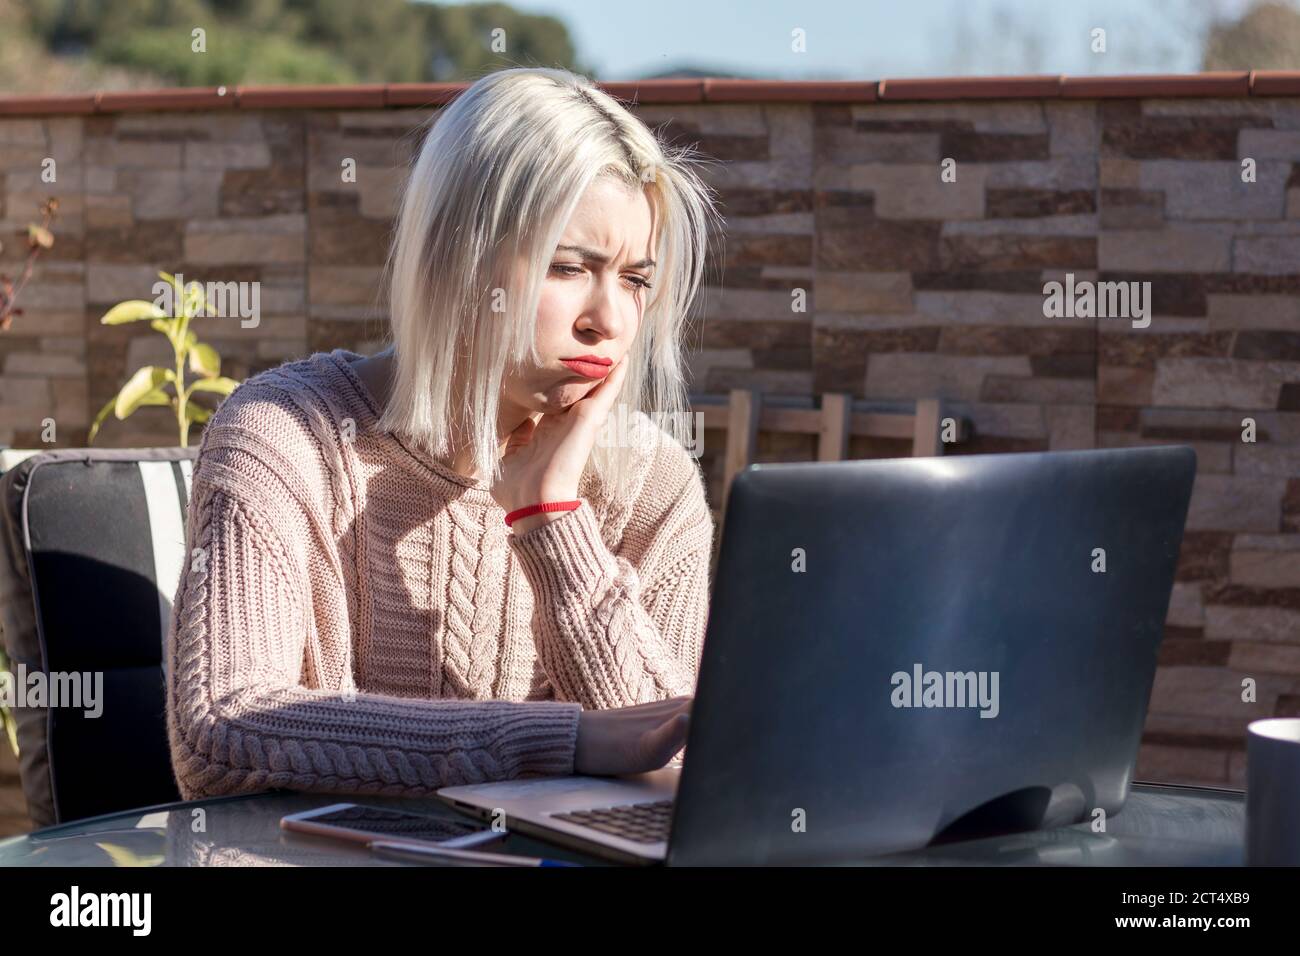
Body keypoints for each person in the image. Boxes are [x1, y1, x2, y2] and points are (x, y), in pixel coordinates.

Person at [164, 66, 722, 800]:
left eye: (635, 280)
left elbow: (679, 760)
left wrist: (550, 518)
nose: (610, 320)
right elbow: (221, 732)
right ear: (459, 259)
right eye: (568, 268)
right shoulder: (285, 435)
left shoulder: (655, 484)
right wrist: (560, 742)